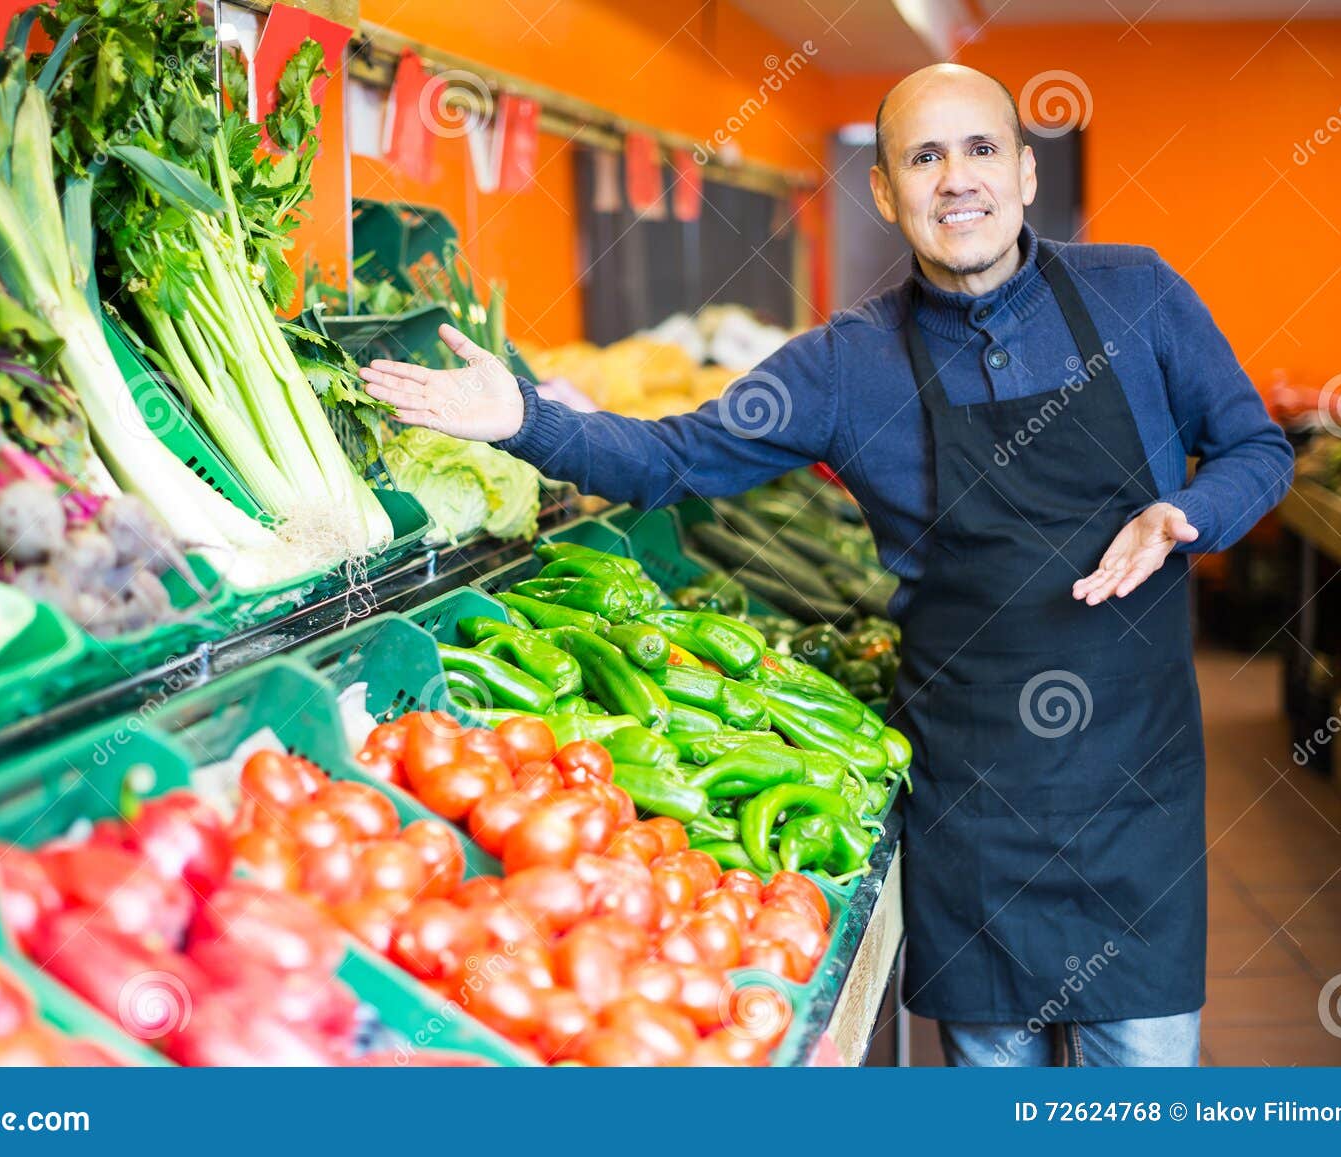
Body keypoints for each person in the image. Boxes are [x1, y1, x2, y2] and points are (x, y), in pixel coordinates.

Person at [359, 62, 1294, 1067]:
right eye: (923, 157)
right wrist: (527, 422)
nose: (957, 179)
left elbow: (1257, 446)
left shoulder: (1137, 294)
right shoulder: (846, 363)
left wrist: (1186, 514)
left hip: (1132, 788)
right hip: (977, 799)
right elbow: (673, 457)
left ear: (1024, 171)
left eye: (981, 149)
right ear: (886, 191)